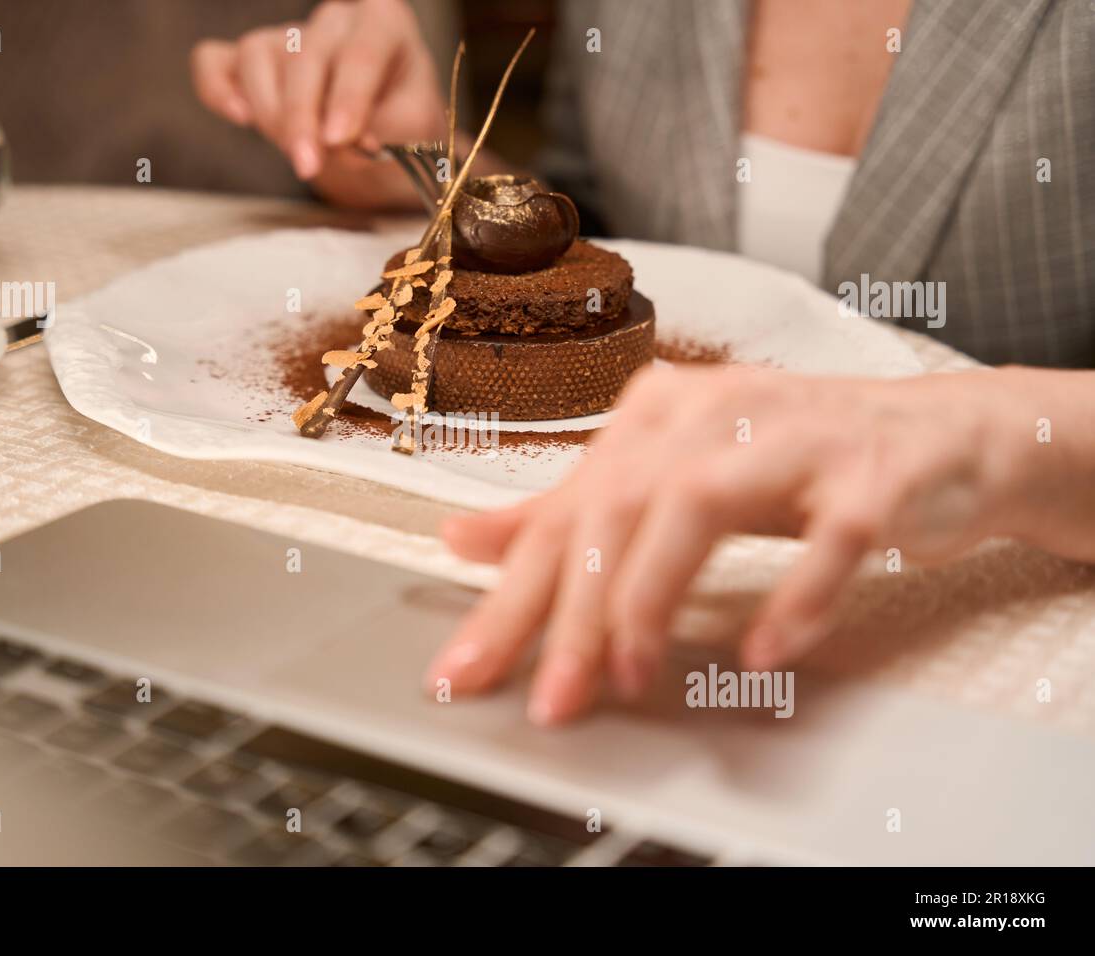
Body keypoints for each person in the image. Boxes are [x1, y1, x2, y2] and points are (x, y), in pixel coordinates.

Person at [192, 0, 1095, 725]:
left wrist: (994, 432)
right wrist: (427, 158)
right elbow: (592, 236)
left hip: (967, 626)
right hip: (581, 585)